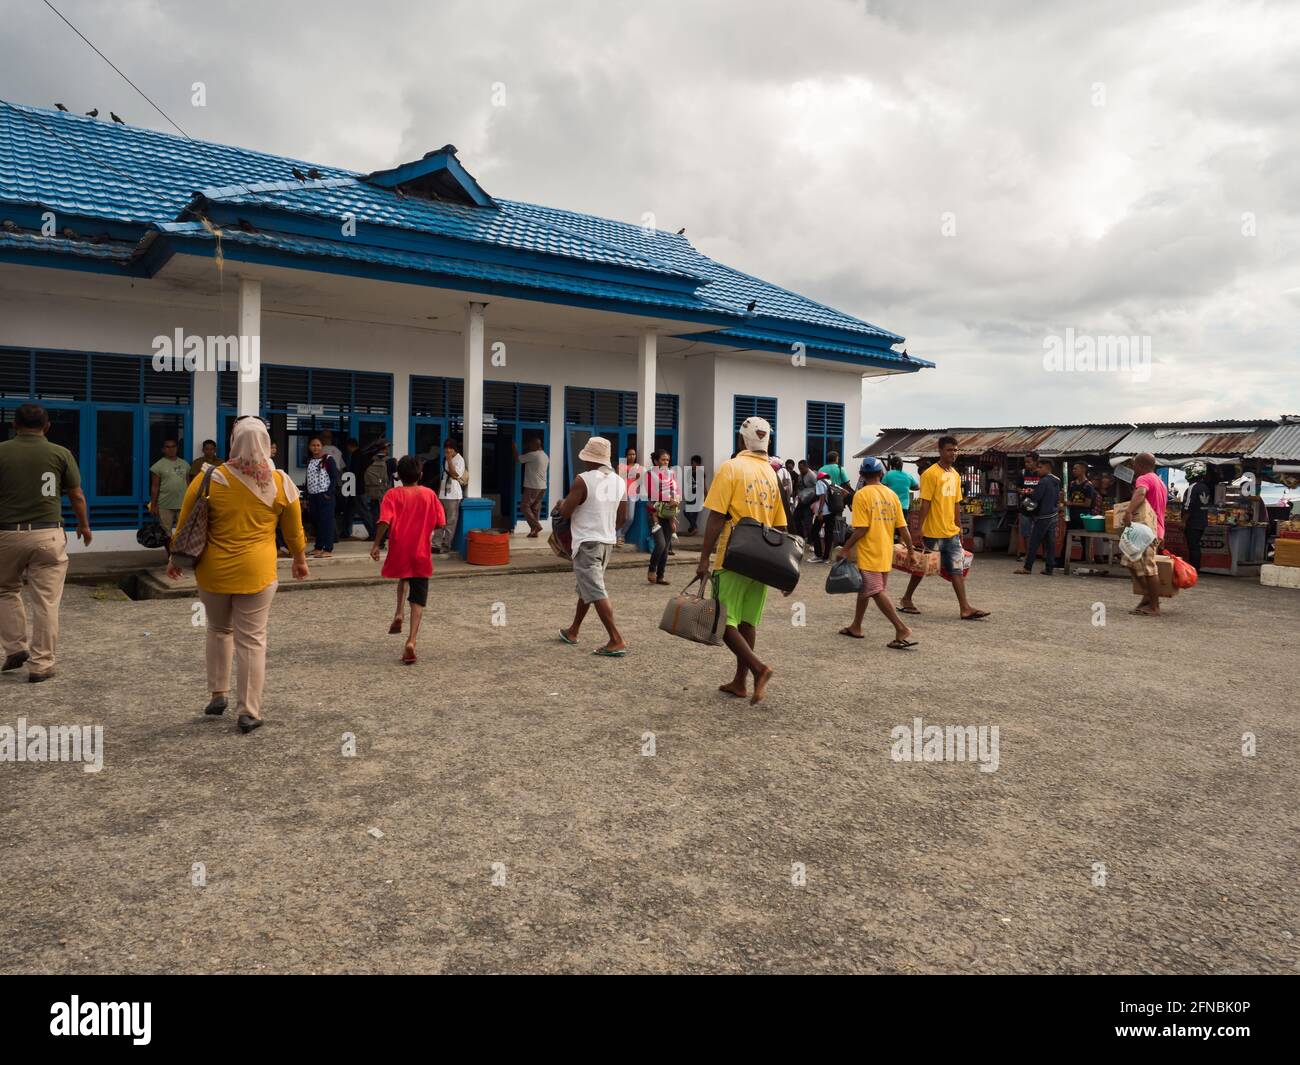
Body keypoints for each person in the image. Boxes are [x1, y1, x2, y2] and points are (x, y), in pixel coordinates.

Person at [168, 417, 309, 733]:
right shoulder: (280, 482)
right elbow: (294, 532)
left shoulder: (210, 477)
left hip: (213, 572)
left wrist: (173, 556)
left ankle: (218, 693)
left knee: (218, 629)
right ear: (265, 443)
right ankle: (248, 711)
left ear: (233, 442)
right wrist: (299, 560)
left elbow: (184, 520)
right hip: (257, 573)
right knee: (252, 640)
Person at [696, 416, 787, 705]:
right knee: (747, 621)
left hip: (732, 556)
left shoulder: (731, 467)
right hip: (762, 560)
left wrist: (703, 559)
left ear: (740, 440)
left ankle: (759, 669)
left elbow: (716, 517)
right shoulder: (772, 473)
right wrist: (783, 569)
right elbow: (781, 526)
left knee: (721, 621)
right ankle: (739, 682)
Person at [0, 403, 92, 682]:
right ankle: (41, 665)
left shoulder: (2, 451)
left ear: (13, 425)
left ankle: (16, 646)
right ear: (47, 426)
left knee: (4, 589)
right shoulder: (60, 453)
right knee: (46, 602)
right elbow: (76, 495)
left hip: (7, 534)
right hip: (48, 534)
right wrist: (84, 526)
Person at [898, 437, 989, 620]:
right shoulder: (930, 474)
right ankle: (906, 599)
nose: (953, 453)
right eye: (949, 450)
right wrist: (918, 530)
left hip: (950, 532)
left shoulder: (955, 475)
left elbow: (956, 504)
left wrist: (958, 527)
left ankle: (965, 608)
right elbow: (925, 504)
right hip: (932, 531)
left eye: (955, 450)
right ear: (939, 451)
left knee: (956, 568)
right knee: (922, 568)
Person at [371, 454, 446, 665]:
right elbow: (441, 522)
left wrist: (376, 544)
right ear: (420, 475)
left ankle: (398, 612)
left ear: (398, 476)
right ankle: (411, 640)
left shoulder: (392, 495)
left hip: (400, 548)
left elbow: (384, 520)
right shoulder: (429, 494)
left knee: (403, 577)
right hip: (421, 551)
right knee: (419, 597)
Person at [557, 436, 628, 655]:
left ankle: (616, 639)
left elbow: (566, 511)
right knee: (586, 588)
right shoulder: (619, 481)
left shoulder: (583, 480)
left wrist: (560, 504)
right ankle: (573, 630)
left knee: (595, 590)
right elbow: (622, 518)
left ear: (589, 459)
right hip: (607, 541)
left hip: (587, 542)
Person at [837, 457, 917, 647]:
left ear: (862, 475)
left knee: (874, 590)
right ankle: (856, 626)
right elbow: (903, 528)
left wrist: (846, 548)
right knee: (866, 589)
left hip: (869, 551)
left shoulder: (862, 495)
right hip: (885, 550)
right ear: (881, 473)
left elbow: (862, 528)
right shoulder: (891, 495)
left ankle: (901, 628)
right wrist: (911, 551)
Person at [1123, 452, 1169, 617]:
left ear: (1140, 465)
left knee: (1148, 567)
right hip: (1155, 529)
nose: (1133, 467)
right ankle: (1148, 597)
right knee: (1130, 562)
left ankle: (1154, 605)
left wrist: (1128, 511)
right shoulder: (1160, 481)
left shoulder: (1143, 478)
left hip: (1146, 529)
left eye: (1134, 464)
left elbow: (1141, 493)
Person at [1015, 458, 1064, 575]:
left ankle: (1027, 567)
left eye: (1040, 467)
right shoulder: (1056, 480)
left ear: (1047, 468)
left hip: (1043, 515)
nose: (1038, 470)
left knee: (1034, 542)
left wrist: (1028, 496)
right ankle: (1049, 568)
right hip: (1053, 514)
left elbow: (1036, 498)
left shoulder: (1043, 481)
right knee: (1050, 543)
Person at [646, 449, 679, 584]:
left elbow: (676, 491)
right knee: (660, 544)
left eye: (667, 460)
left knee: (666, 548)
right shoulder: (649, 475)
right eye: (663, 460)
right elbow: (652, 493)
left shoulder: (671, 474)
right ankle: (652, 569)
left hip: (668, 514)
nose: (666, 462)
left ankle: (660, 576)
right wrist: (668, 498)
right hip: (654, 513)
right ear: (656, 461)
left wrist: (676, 500)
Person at [304, 435, 340, 557]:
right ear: (309, 447)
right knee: (316, 522)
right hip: (313, 496)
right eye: (313, 445)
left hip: (325, 496)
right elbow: (308, 478)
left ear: (322, 447)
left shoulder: (328, 459)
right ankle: (318, 547)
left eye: (318, 445)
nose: (315, 448)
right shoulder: (309, 460)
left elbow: (335, 478)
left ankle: (328, 549)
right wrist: (306, 496)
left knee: (326, 522)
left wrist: (328, 493)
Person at [148, 437, 190, 540]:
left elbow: (189, 484)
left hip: (183, 504)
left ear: (177, 448)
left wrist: (191, 502)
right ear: (163, 449)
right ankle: (170, 555)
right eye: (168, 447)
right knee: (166, 534)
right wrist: (154, 505)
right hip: (165, 505)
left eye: (173, 446)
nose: (171, 449)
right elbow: (155, 486)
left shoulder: (184, 464)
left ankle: (180, 554)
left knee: (184, 532)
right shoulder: (158, 466)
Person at [433, 440, 465, 554]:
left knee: (450, 522)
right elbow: (443, 476)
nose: (447, 450)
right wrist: (438, 494)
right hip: (443, 494)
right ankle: (436, 544)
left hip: (453, 495)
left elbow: (455, 474)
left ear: (454, 448)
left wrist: (450, 460)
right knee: (439, 520)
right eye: (446, 447)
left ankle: (446, 545)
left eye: (450, 447)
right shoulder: (444, 459)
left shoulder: (459, 460)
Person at [513, 436, 549, 537]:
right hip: (542, 487)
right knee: (535, 509)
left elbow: (518, 459)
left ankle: (536, 526)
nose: (529, 447)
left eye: (530, 445)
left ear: (535, 445)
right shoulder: (545, 455)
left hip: (533, 486)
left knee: (524, 507)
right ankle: (534, 531)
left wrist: (514, 448)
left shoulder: (534, 455)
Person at [1182, 464, 1213, 572]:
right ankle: (1196, 567)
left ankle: (1193, 568)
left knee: (1193, 546)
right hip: (1202, 521)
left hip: (1193, 522)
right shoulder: (1205, 487)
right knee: (1195, 546)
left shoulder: (1193, 487)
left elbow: (1187, 507)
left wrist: (1183, 522)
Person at [1014, 450, 1041, 561]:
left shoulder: (1041, 473)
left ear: (1036, 462)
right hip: (1026, 505)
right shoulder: (1023, 473)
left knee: (1040, 531)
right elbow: (1018, 487)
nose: (1027, 464)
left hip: (1040, 506)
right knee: (1026, 532)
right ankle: (1028, 555)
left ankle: (1040, 554)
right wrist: (1022, 491)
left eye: (1029, 462)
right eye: (1025, 462)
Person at [363, 443, 393, 540]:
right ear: (385, 449)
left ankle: (377, 536)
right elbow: (397, 476)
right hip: (386, 493)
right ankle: (384, 537)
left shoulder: (369, 460)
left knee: (375, 515)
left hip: (373, 493)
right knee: (386, 515)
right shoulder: (390, 461)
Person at [616, 446, 642, 547]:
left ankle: (621, 534)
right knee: (621, 516)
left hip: (632, 494)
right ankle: (618, 537)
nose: (632, 456)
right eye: (630, 454)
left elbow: (639, 478)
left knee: (630, 518)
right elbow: (619, 477)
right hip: (622, 493)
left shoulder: (638, 467)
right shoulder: (621, 466)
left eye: (634, 454)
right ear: (626, 456)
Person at [683, 455, 706, 535]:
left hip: (698, 495)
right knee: (688, 512)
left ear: (697, 463)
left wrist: (706, 495)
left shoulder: (701, 473)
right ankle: (693, 527)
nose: (691, 465)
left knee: (691, 512)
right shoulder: (690, 472)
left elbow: (703, 485)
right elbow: (688, 483)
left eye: (692, 463)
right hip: (690, 494)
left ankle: (694, 527)